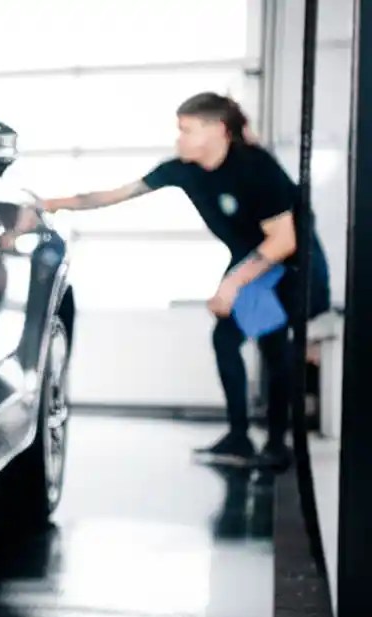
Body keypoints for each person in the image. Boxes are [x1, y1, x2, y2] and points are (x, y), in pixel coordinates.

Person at [37, 92, 332, 469]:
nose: (180, 139)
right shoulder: (182, 169)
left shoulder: (257, 168)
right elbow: (113, 195)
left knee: (274, 351)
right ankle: (240, 438)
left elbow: (283, 240)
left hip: (292, 267)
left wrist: (232, 285)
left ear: (219, 131)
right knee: (228, 341)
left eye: (188, 130)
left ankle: (276, 445)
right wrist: (48, 204)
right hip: (253, 263)